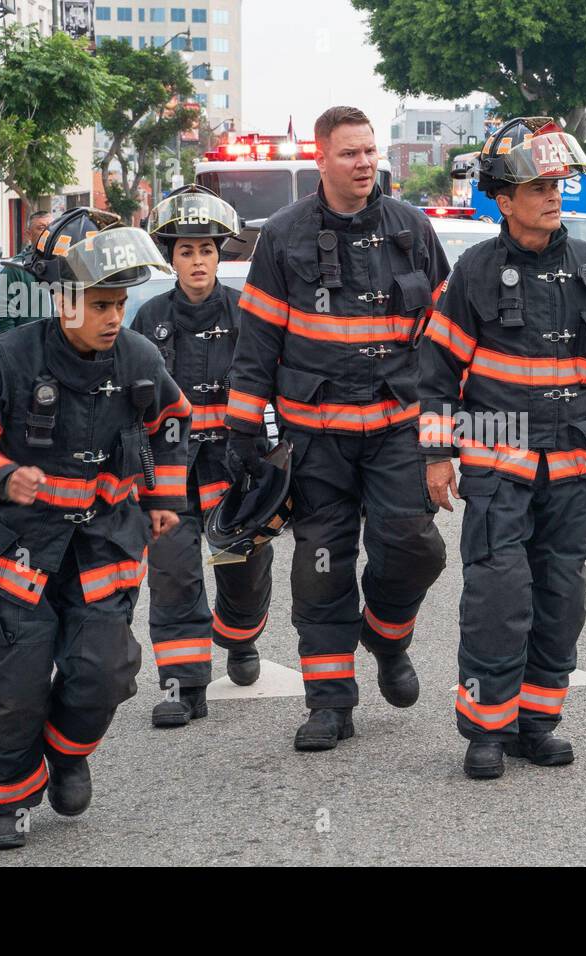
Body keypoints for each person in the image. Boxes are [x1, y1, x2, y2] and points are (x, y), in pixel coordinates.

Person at [0, 209, 190, 850]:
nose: (113, 317)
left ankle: (67, 753)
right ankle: (2, 802)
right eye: (101, 304)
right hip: (17, 545)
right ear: (62, 298)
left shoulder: (138, 357)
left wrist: (164, 500)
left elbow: (175, 425)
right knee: (18, 680)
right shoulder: (11, 359)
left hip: (101, 542)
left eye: (121, 304)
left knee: (104, 669)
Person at [420, 116, 586, 780]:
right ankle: (486, 730)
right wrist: (437, 455)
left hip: (574, 466)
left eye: (558, 182)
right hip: (498, 462)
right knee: (498, 596)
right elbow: (436, 369)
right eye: (538, 186)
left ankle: (537, 723)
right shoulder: (474, 271)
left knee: (561, 595)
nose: (554, 195)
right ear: (504, 198)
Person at [224, 105, 449, 751]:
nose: (364, 163)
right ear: (320, 158)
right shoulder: (285, 236)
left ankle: (388, 632)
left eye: (371, 151)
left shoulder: (412, 228)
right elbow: (258, 340)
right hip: (315, 439)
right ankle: (330, 706)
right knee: (322, 568)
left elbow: (446, 341)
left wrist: (444, 439)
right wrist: (245, 433)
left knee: (415, 547)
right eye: (350, 152)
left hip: (396, 432)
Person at [132, 184, 273, 727]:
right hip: (168, 478)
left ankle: (239, 639)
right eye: (186, 251)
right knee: (172, 576)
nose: (197, 261)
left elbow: (271, 389)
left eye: (206, 250)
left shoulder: (247, 316)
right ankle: (183, 687)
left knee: (245, 572)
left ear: (220, 255)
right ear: (172, 258)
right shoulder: (147, 320)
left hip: (237, 474)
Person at [0, 209, 54, 333]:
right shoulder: (15, 268)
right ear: (29, 234)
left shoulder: (64, 263)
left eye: (52, 227)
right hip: (29, 346)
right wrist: (14, 347)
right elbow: (3, 315)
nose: (48, 232)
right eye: (41, 228)